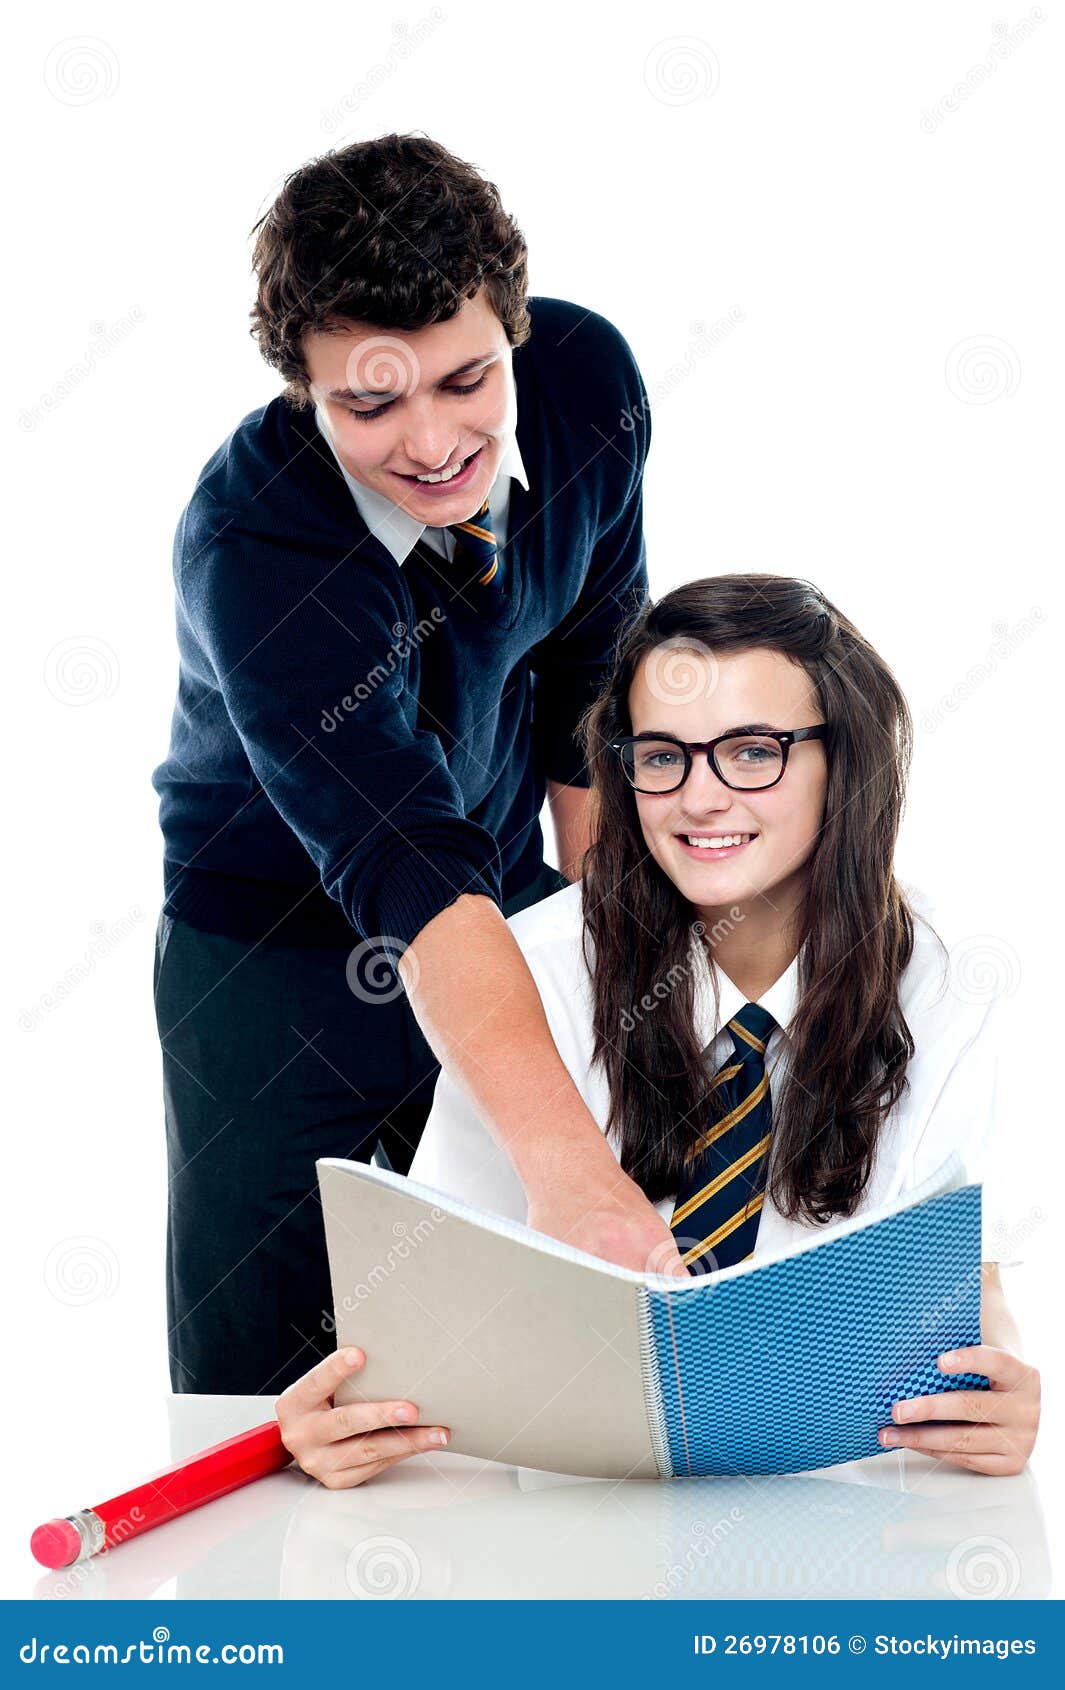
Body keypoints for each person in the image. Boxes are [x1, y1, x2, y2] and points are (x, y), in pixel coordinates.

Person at [274, 574, 1040, 1486]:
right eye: (663, 756)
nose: (699, 798)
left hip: (824, 1508)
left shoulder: (944, 979)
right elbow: (435, 1300)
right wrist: (346, 1423)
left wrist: (1005, 1394)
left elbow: (958, 1280)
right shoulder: (535, 971)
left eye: (753, 751)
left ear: (848, 761)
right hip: (568, 1502)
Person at [151, 132, 677, 1399]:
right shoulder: (256, 537)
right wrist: (568, 1166)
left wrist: (618, 961)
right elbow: (399, 852)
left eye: (468, 378)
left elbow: (590, 682)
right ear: (301, 391)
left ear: (514, 326)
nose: (438, 443)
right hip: (273, 955)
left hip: (500, 887)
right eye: (371, 404)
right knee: (275, 1390)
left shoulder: (588, 380)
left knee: (508, 1365)